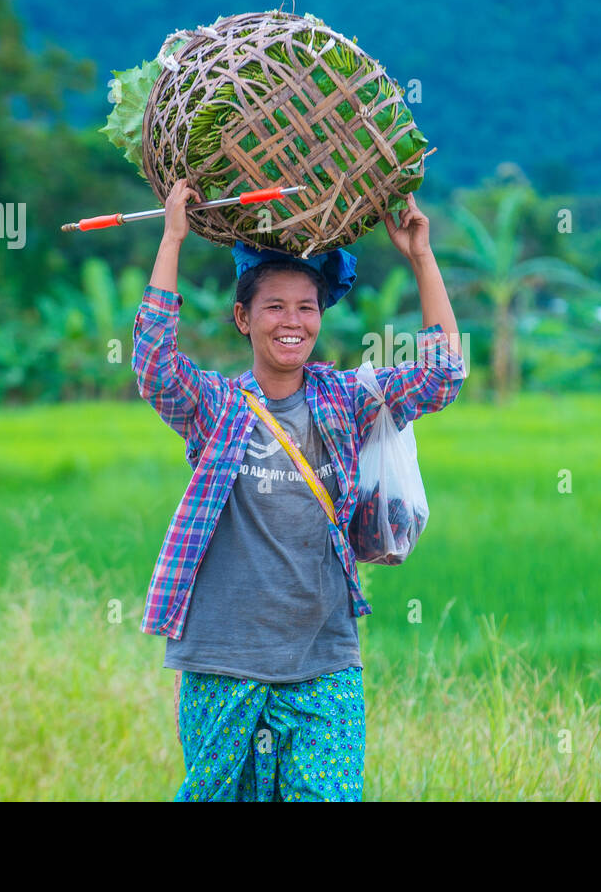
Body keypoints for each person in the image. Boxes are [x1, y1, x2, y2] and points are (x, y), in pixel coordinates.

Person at [133, 178, 465, 801]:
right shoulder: (215, 407)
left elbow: (443, 377)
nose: (292, 322)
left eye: (306, 307)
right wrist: (173, 236)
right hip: (222, 660)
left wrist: (421, 255)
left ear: (320, 316)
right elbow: (154, 363)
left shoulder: (344, 401)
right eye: (275, 307)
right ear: (243, 318)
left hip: (325, 660)